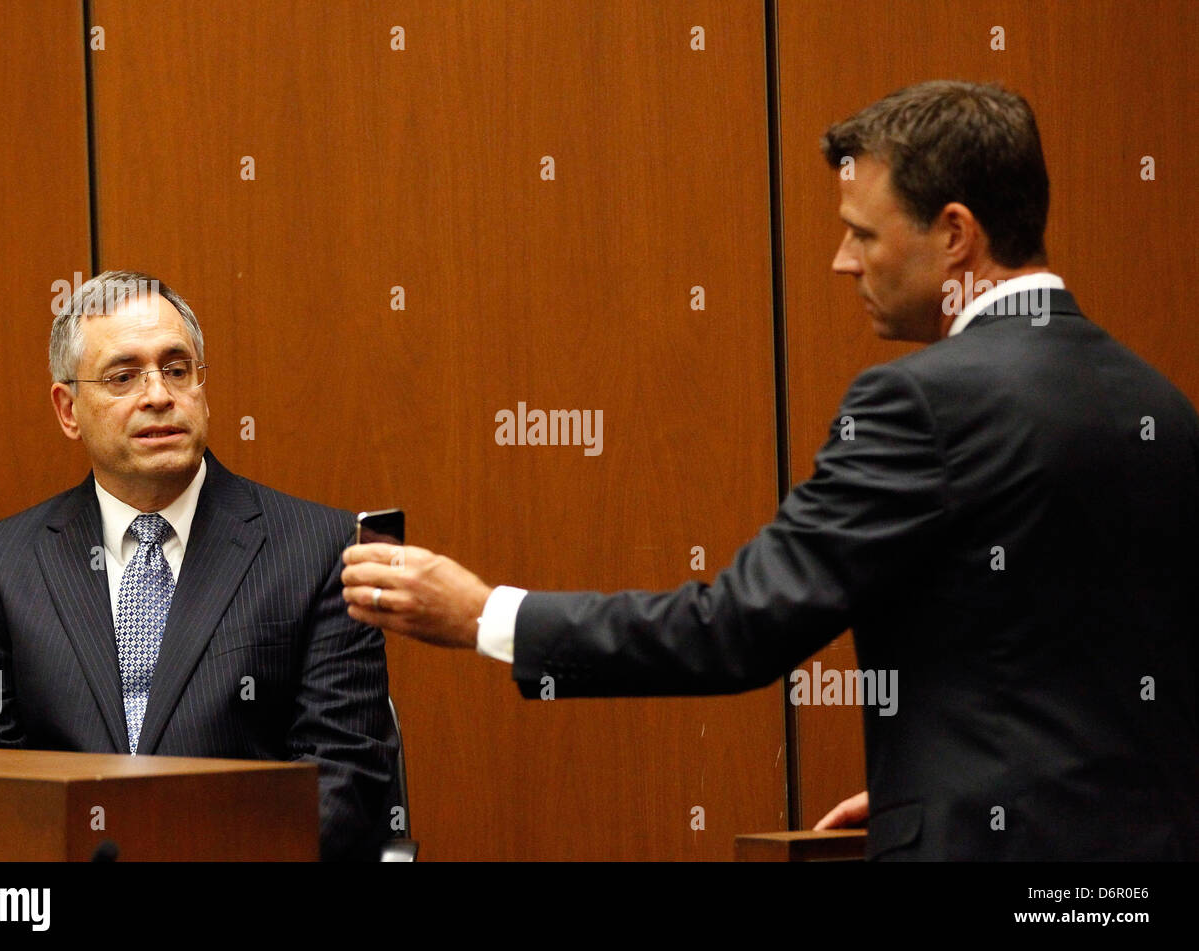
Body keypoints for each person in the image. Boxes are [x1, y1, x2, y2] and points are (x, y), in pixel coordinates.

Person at [340, 81, 1199, 860]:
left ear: (954, 234)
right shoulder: (1157, 402)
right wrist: (939, 786)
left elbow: (735, 628)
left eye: (863, 232)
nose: (842, 261)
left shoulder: (918, 404)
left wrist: (488, 615)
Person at [0, 271, 397, 861]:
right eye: (124, 376)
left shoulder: (322, 549)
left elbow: (343, 780)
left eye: (177, 369)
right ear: (67, 409)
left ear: (202, 387)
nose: (158, 395)